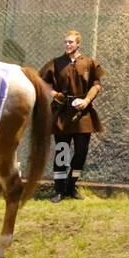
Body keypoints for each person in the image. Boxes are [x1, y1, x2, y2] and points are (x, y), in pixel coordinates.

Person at [40, 30, 105, 202]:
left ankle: (71, 185)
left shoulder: (89, 63)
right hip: (62, 113)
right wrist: (55, 94)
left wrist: (87, 100)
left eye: (71, 42)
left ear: (78, 44)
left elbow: (97, 85)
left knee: (81, 152)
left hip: (83, 113)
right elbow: (42, 83)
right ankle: (59, 190)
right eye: (66, 42)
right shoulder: (56, 63)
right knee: (62, 150)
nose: (67, 45)